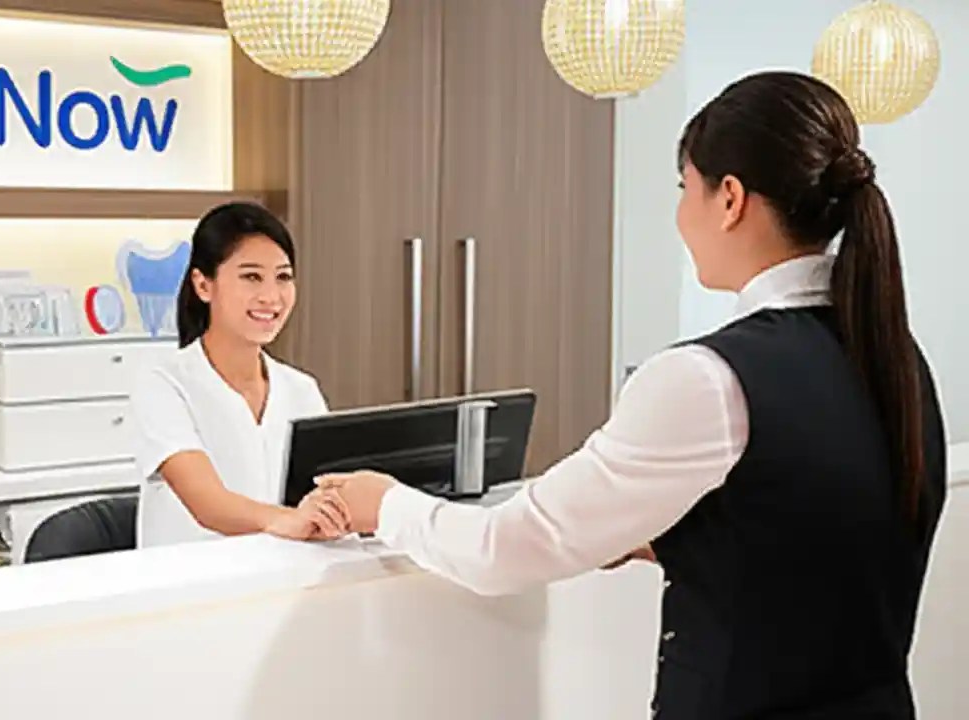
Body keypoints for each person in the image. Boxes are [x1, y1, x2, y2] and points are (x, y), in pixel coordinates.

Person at [320, 71, 947, 719]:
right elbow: (818, 531)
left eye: (685, 189)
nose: (680, 215)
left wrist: (385, 503)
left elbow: (503, 551)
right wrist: (673, 540)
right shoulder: (895, 358)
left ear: (729, 198)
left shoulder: (708, 378)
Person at [131, 202, 349, 548]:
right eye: (251, 277)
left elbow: (328, 494)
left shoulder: (301, 389)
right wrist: (289, 519)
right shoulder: (164, 383)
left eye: (283, 277)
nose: (271, 297)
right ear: (203, 286)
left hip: (284, 581)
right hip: (190, 591)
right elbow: (208, 504)